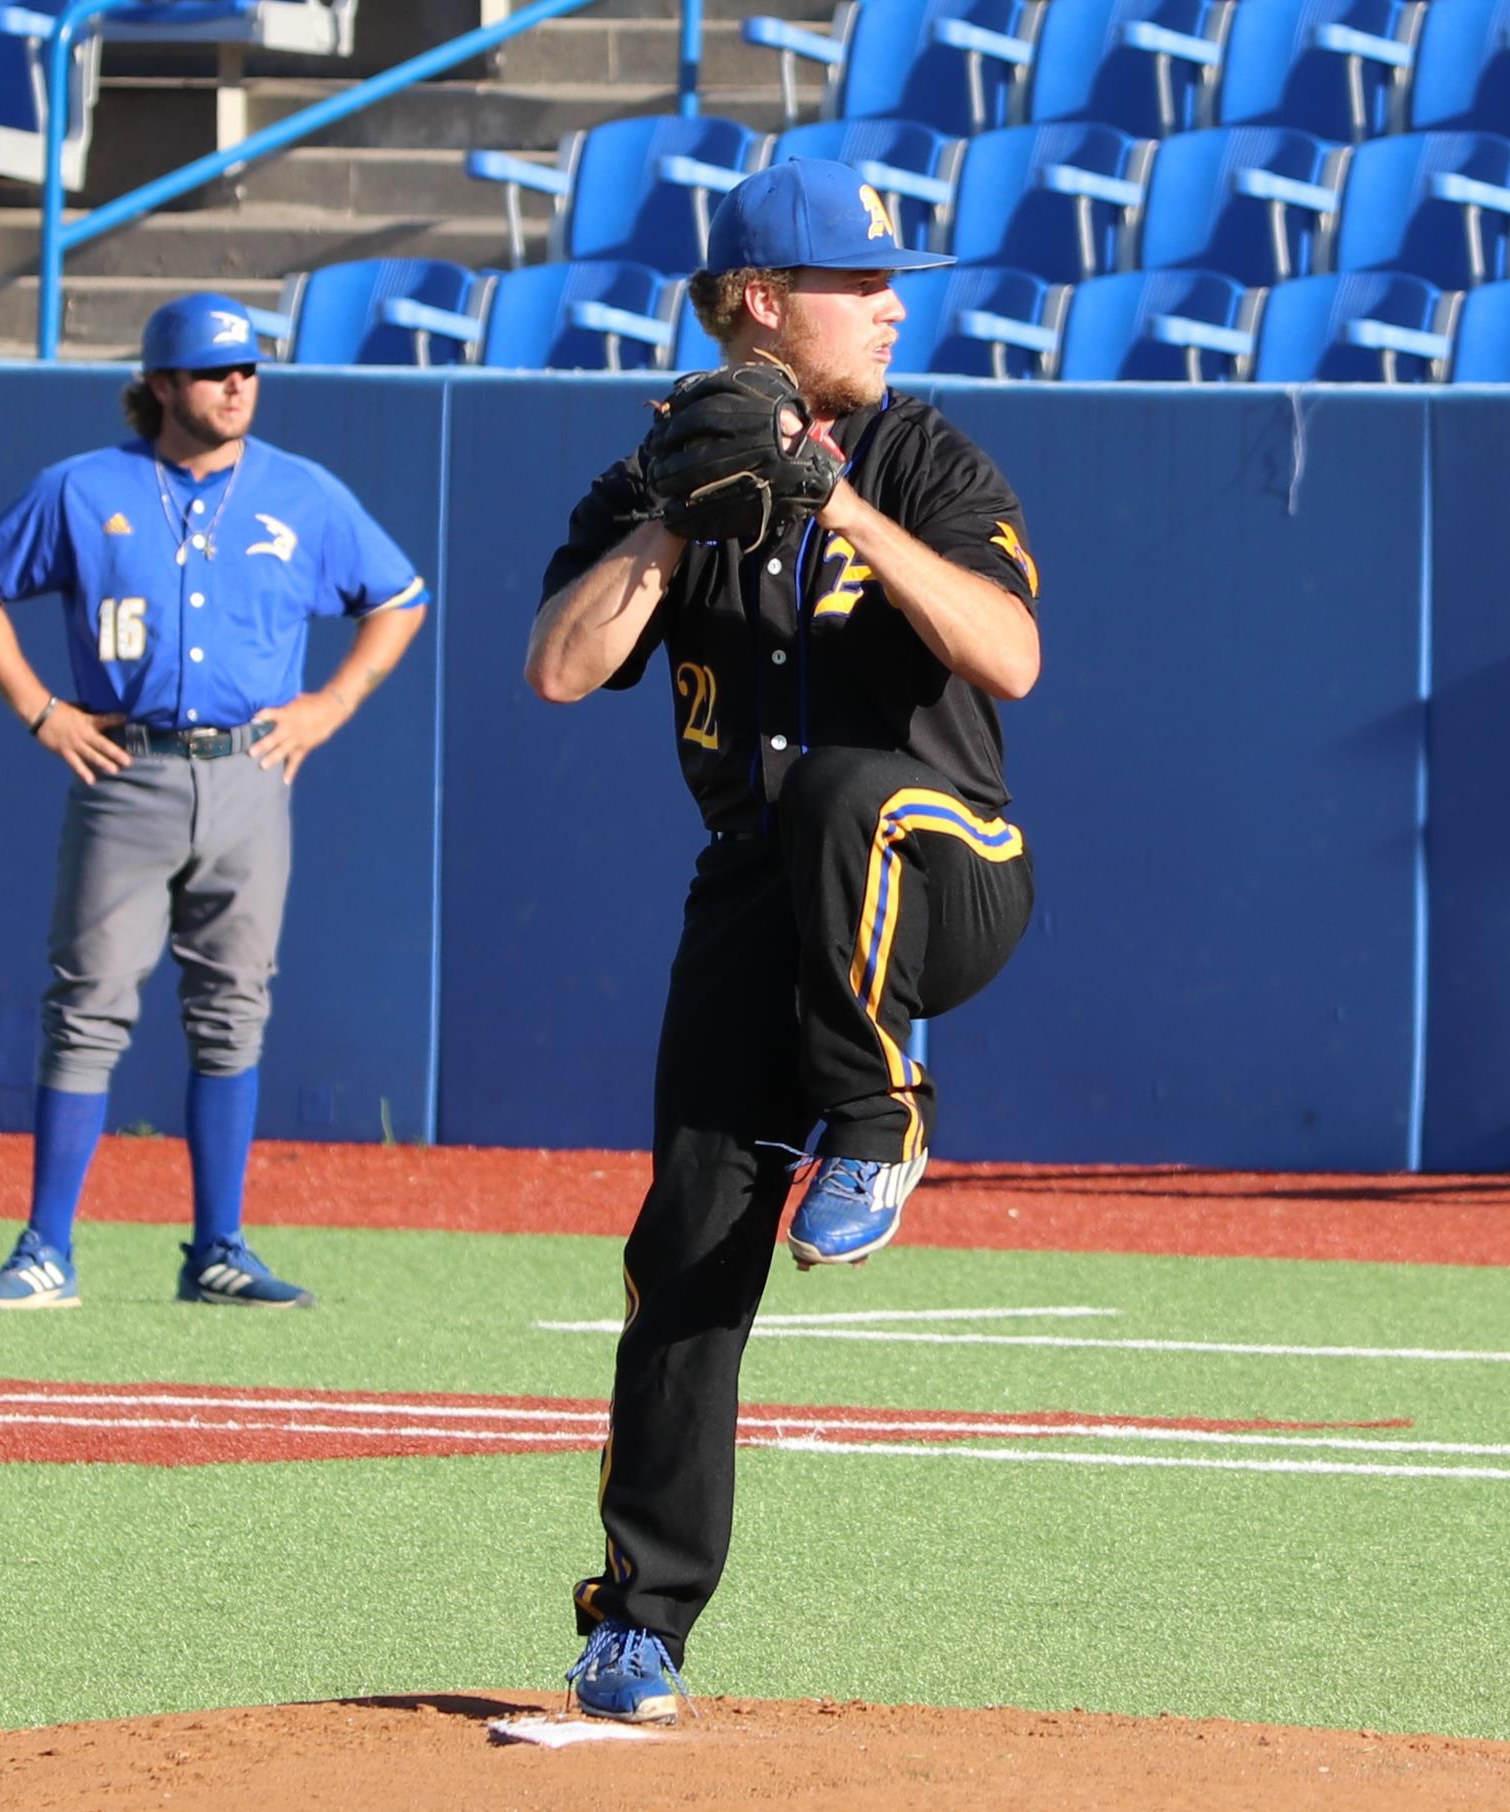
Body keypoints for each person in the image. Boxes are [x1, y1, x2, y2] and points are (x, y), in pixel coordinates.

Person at [526, 159, 1043, 1721]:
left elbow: (1011, 656)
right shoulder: (658, 471)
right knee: (686, 1241)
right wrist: (676, 523)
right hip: (758, 898)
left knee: (837, 792)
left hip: (943, 862)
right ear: (760, 298)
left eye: (893, 284)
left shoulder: (921, 452)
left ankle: (881, 1116)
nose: (893, 308)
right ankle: (640, 1624)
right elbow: (559, 669)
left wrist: (841, 505)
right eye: (861, 281)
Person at [0, 292, 429, 1310]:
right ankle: (46, 1249)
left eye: (248, 369)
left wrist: (332, 704)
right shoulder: (85, 487)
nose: (237, 386)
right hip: (128, 773)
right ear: (161, 384)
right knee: (88, 1007)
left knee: (233, 1011)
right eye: (214, 372)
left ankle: (219, 1250)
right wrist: (40, 710)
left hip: (250, 772)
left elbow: (399, 598)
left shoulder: (300, 491)